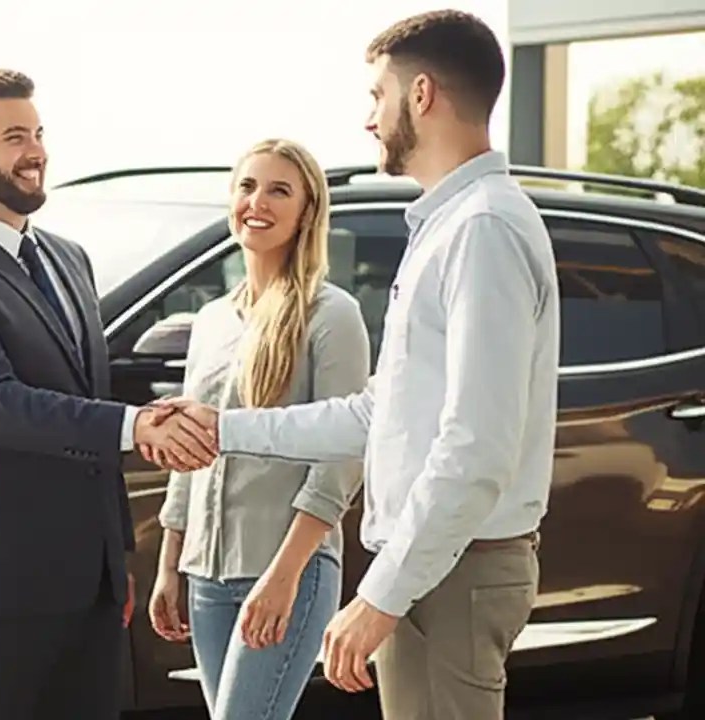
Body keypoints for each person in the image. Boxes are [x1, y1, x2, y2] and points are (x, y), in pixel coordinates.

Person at [150, 10, 560, 720]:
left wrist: (381, 596)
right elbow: (377, 415)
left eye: (378, 95)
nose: (370, 117)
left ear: (422, 94)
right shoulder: (449, 227)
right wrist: (225, 428)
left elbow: (477, 448)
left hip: (454, 572)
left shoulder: (483, 229)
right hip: (437, 567)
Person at [0, 68, 216, 720]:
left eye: (38, 133)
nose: (36, 151)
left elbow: (84, 399)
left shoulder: (70, 259)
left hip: (89, 593)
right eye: (14, 137)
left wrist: (112, 559)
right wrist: (137, 426)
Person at [145, 138, 371, 720]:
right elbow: (189, 451)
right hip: (206, 574)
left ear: (306, 212)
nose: (258, 202)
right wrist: (171, 564)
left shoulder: (332, 315)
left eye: (279, 190)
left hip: (287, 570)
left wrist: (283, 576)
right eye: (248, 186)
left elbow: (342, 457)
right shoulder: (212, 320)